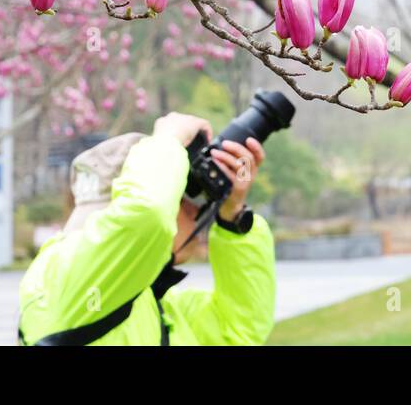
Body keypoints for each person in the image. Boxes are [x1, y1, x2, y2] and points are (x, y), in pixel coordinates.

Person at [17, 111, 275, 345]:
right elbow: (148, 213)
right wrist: (168, 137)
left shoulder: (151, 302)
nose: (196, 211)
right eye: (183, 198)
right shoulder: (65, 280)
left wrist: (233, 216)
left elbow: (238, 329)